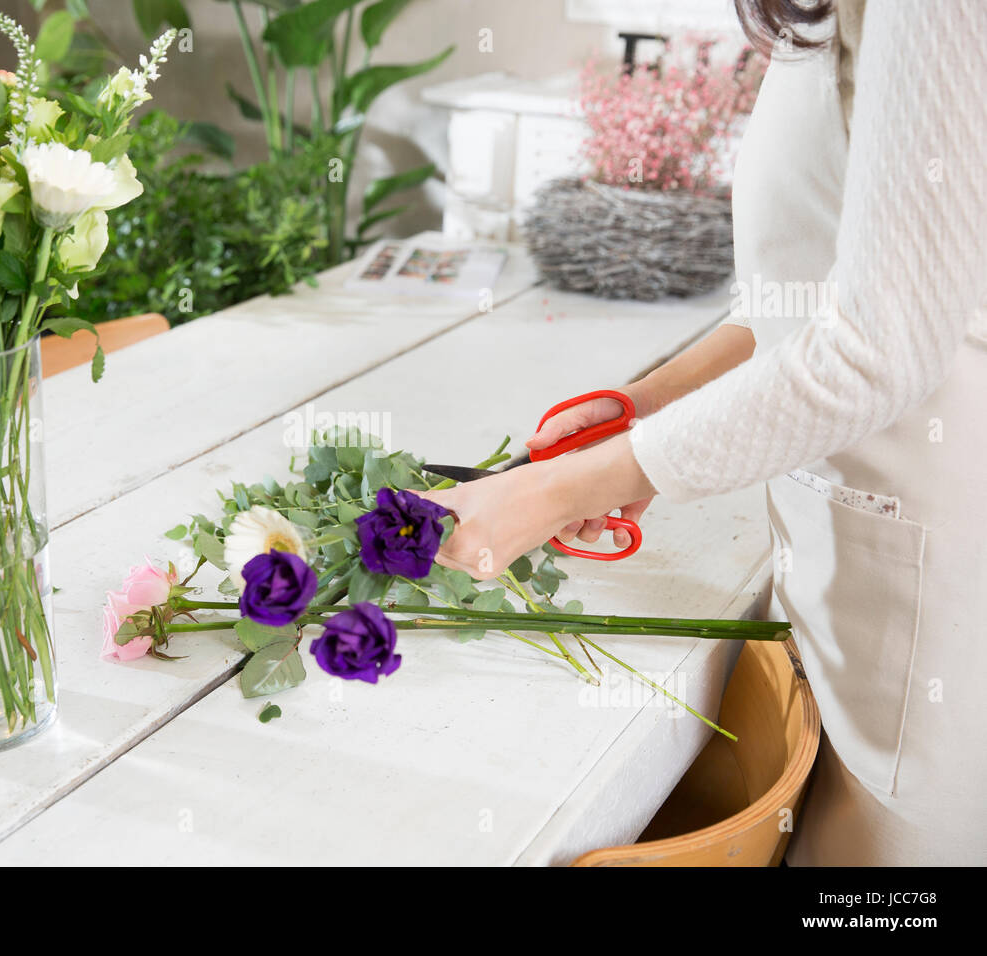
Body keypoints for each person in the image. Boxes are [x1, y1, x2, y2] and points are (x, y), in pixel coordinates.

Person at [423, 0, 987, 865]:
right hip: (844, 568)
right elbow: (797, 297)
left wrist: (547, 493)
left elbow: (878, 348)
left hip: (937, 608)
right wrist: (648, 407)